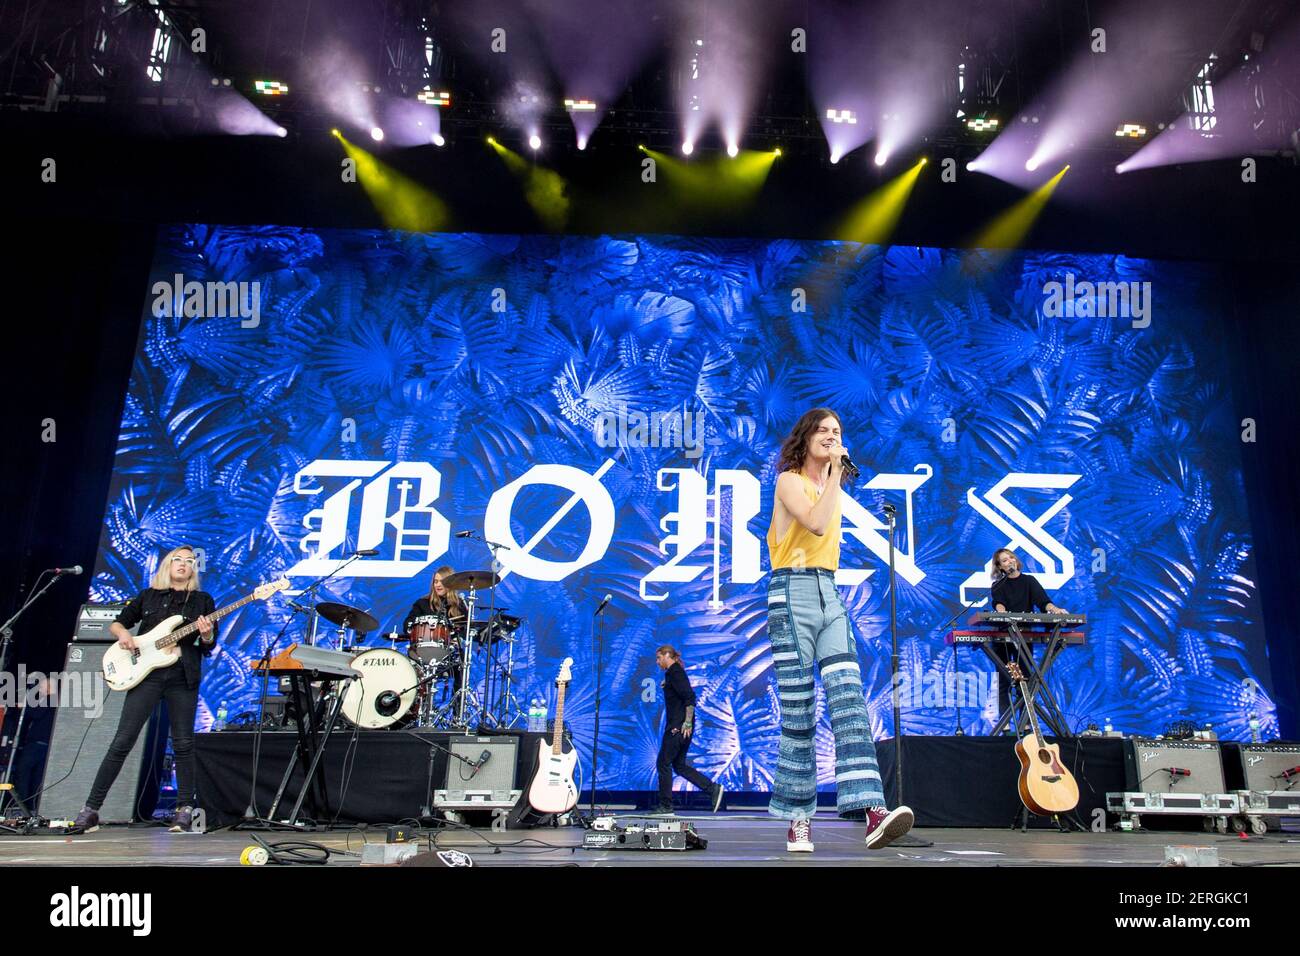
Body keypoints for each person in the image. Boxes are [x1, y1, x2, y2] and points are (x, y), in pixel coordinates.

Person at [766, 407, 914, 853]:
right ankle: (798, 820)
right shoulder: (789, 480)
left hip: (829, 594)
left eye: (838, 431)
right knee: (799, 711)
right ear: (805, 437)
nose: (832, 436)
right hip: (791, 594)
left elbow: (824, 526)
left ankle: (872, 811)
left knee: (849, 701)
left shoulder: (830, 485)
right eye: (824, 431)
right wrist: (833, 472)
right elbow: (812, 522)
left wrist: (833, 476)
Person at [71, 545, 217, 833]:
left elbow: (209, 643)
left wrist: (206, 632)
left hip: (182, 676)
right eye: (178, 559)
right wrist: (125, 636)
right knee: (122, 740)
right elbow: (118, 624)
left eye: (189, 561)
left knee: (184, 743)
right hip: (145, 676)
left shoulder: (203, 600)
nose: (183, 564)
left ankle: (184, 809)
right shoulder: (148, 596)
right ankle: (91, 810)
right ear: (167, 565)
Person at [989, 547, 1069, 726]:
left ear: (1016, 561)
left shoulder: (1029, 581)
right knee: (1004, 678)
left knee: (1024, 677)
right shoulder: (998, 585)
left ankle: (1025, 721)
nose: (1009, 561)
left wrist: (1055, 610)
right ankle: (1006, 722)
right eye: (1004, 560)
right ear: (1000, 567)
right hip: (1003, 634)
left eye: (1011, 558)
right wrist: (1003, 614)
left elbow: (1043, 602)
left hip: (1023, 635)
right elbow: (999, 604)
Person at [652, 645, 724, 815]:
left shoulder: (675, 672)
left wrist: (687, 723)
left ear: (667, 655)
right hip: (681, 725)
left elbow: (689, 697)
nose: (657, 662)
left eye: (658, 658)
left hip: (678, 727)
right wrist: (667, 685)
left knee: (663, 763)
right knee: (678, 765)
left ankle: (666, 806)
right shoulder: (672, 674)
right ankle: (712, 789)